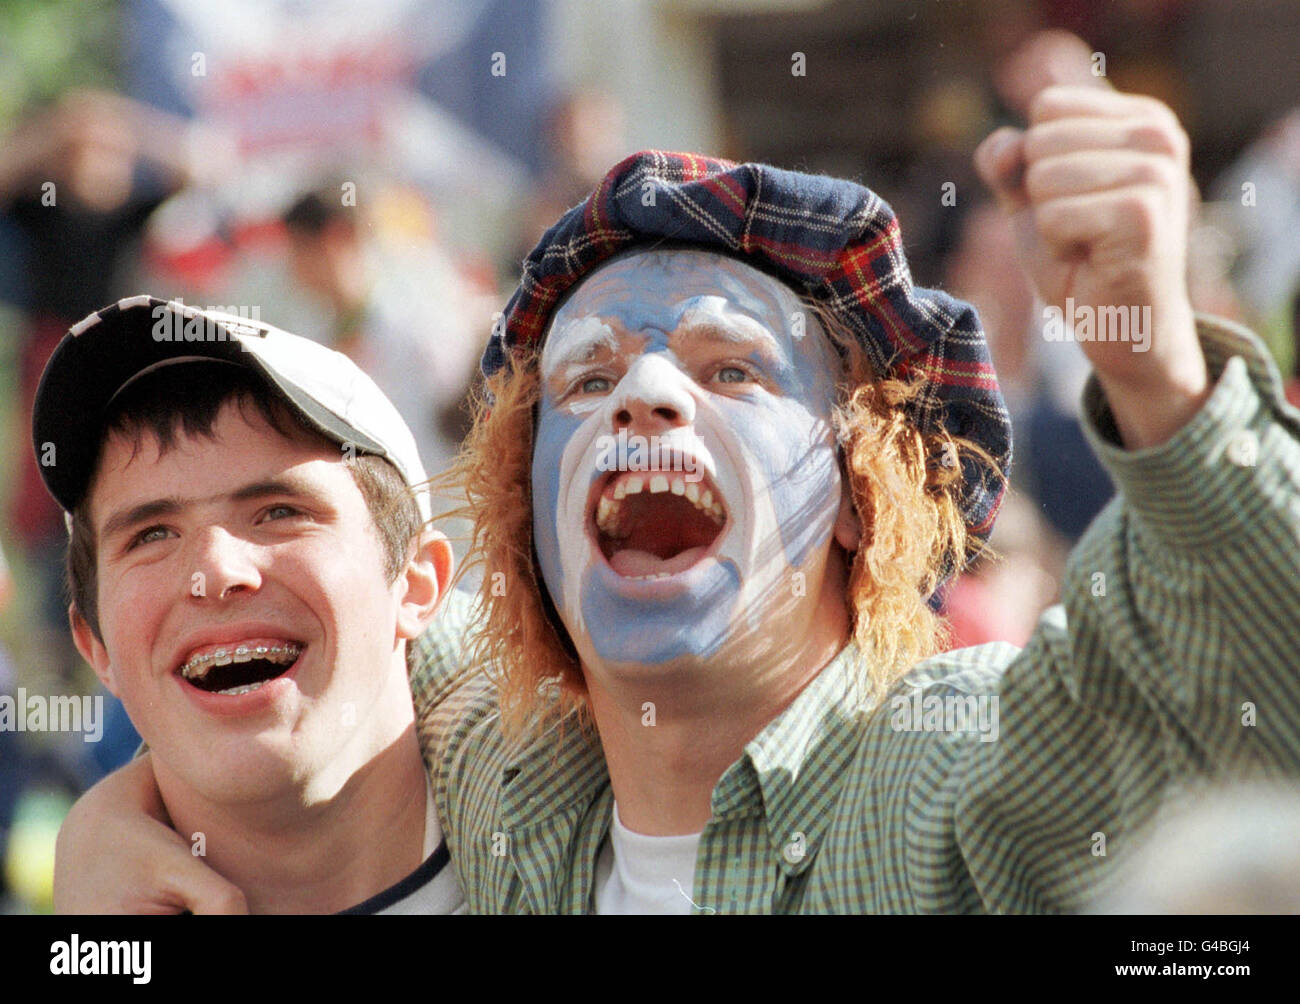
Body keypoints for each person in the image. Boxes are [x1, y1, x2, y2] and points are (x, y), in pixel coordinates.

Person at [57, 80, 1300, 914]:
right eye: (585, 378)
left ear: (862, 496)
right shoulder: (504, 768)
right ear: (527, 521)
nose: (642, 395)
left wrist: (1163, 380)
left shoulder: (958, 768)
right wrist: (98, 880)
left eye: (732, 369)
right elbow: (290, 649)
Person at [37, 297, 467, 913]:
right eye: (151, 534)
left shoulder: (607, 860)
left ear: (419, 582)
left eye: (280, 512)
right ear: (96, 647)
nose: (215, 571)